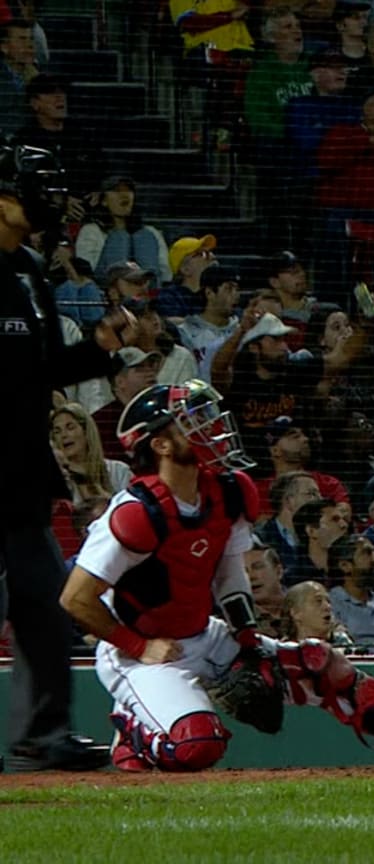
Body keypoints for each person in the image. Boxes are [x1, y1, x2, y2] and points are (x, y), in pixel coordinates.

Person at [58, 382, 374, 772]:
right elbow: (75, 598)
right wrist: (139, 646)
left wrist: (248, 638)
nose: (208, 427)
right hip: (141, 651)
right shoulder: (135, 512)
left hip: (202, 633)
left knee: (319, 664)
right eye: (189, 421)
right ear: (161, 445)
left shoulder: (227, 491)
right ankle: (135, 734)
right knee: (198, 746)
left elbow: (230, 575)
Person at [1, 145, 134, 771]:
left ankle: (42, 734)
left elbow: (48, 366)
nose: (45, 202)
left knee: (45, 605)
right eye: (32, 189)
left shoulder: (29, 268)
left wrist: (100, 347)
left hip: (21, 472)